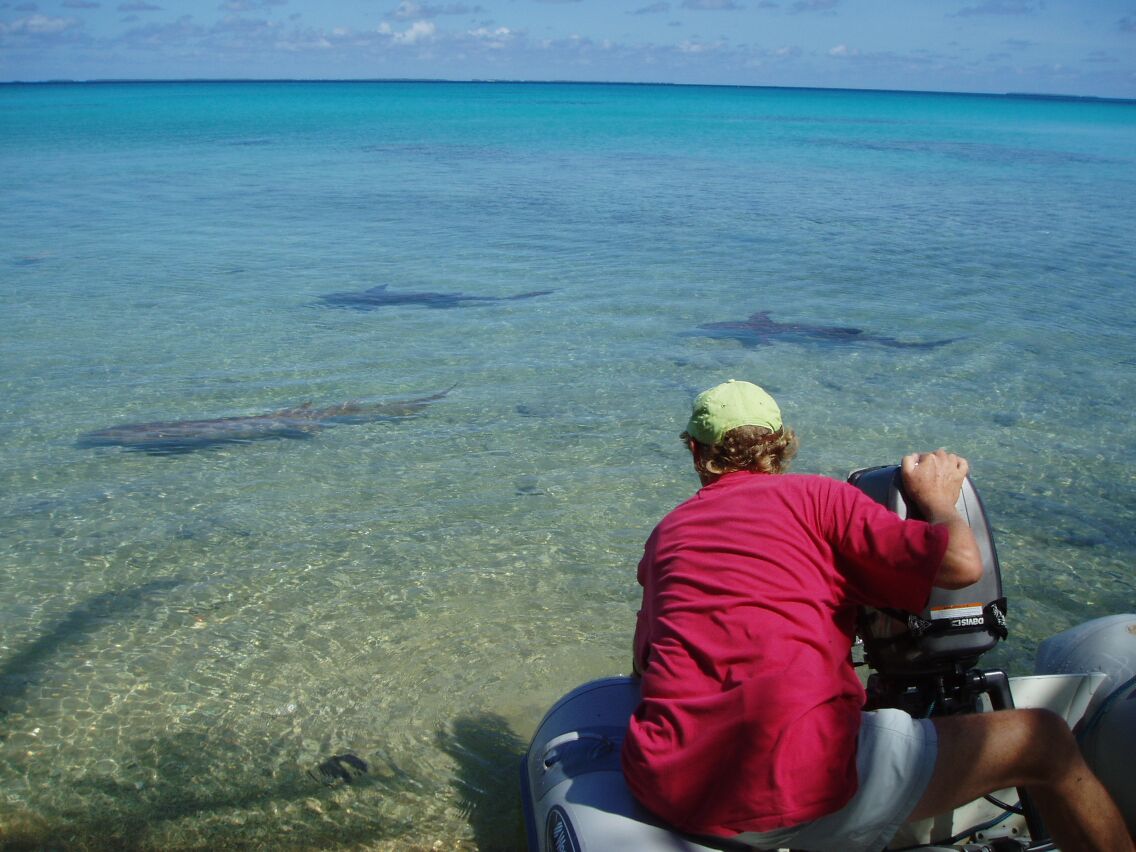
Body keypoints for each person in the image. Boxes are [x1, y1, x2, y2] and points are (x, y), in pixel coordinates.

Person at [621, 379, 1132, 852]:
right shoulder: (820, 499)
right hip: (802, 787)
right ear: (782, 444)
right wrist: (939, 502)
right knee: (1043, 740)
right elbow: (959, 565)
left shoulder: (667, 536)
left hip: (673, 792)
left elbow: (648, 665)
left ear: (695, 450)